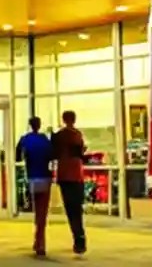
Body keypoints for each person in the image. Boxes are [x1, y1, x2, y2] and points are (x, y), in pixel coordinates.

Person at [15, 116, 54, 256]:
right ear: (39, 124)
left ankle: (37, 241)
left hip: (32, 177)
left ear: (30, 125)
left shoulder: (25, 139)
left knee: (37, 210)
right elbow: (52, 155)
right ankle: (40, 243)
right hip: (45, 177)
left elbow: (17, 156)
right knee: (42, 213)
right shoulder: (45, 140)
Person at [50, 110, 87, 254]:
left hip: (65, 175)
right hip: (77, 175)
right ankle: (80, 237)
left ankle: (77, 237)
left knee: (70, 209)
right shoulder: (78, 135)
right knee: (77, 208)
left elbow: (54, 153)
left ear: (64, 119)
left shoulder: (59, 136)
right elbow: (80, 153)